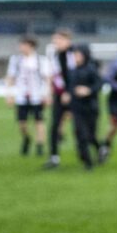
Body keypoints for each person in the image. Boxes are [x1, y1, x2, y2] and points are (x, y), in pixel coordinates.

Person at [5, 36, 51, 156]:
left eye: (23, 45)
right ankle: (27, 138)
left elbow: (47, 79)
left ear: (31, 46)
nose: (21, 48)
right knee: (22, 123)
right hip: (22, 96)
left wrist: (47, 94)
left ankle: (40, 145)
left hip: (37, 96)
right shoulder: (16, 60)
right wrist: (9, 94)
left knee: (39, 121)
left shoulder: (41, 60)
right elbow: (10, 77)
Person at [65, 43, 103, 169]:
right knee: (81, 134)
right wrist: (68, 96)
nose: (76, 57)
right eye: (74, 54)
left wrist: (88, 90)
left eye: (78, 54)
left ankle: (100, 149)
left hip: (91, 107)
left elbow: (99, 85)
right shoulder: (72, 71)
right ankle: (88, 162)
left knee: (91, 136)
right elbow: (70, 88)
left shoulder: (91, 69)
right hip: (77, 108)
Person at [43, 28, 74, 169]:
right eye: (55, 40)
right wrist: (49, 93)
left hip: (75, 95)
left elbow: (77, 76)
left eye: (59, 40)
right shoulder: (54, 55)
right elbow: (53, 76)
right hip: (59, 95)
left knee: (83, 127)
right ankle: (54, 157)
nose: (56, 42)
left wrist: (69, 91)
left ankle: (96, 149)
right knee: (54, 126)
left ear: (67, 40)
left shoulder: (74, 54)